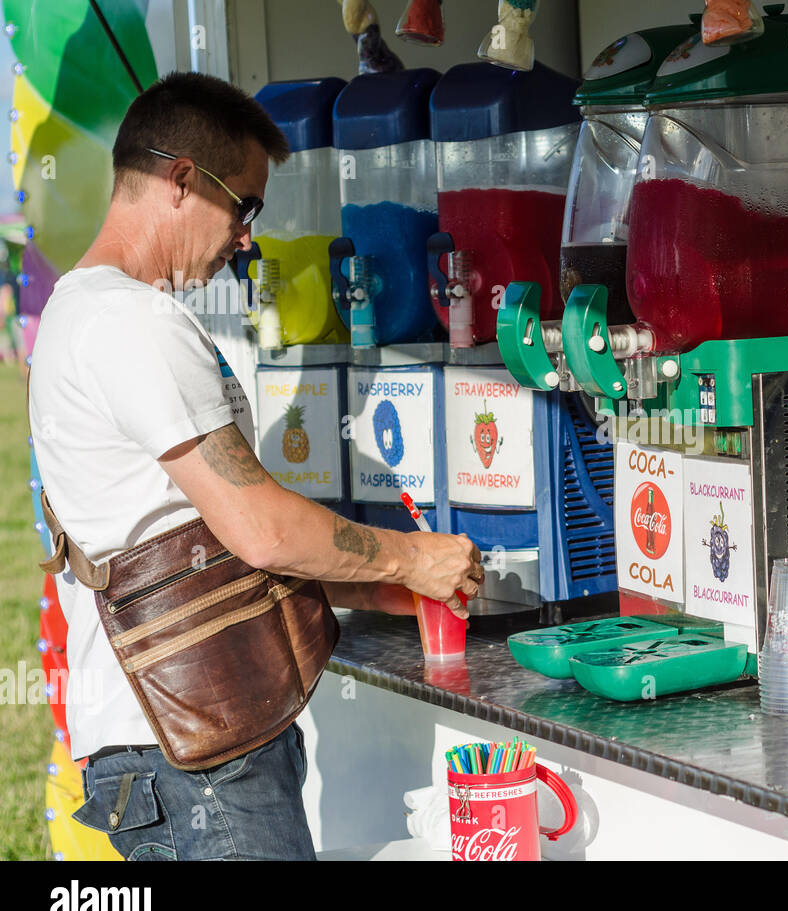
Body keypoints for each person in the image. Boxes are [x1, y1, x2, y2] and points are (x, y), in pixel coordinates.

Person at [27, 72, 483, 861]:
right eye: (244, 206)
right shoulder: (131, 322)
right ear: (179, 181)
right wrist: (416, 555)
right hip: (196, 765)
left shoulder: (81, 312)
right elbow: (263, 530)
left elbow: (204, 540)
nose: (247, 238)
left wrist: (395, 584)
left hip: (173, 758)